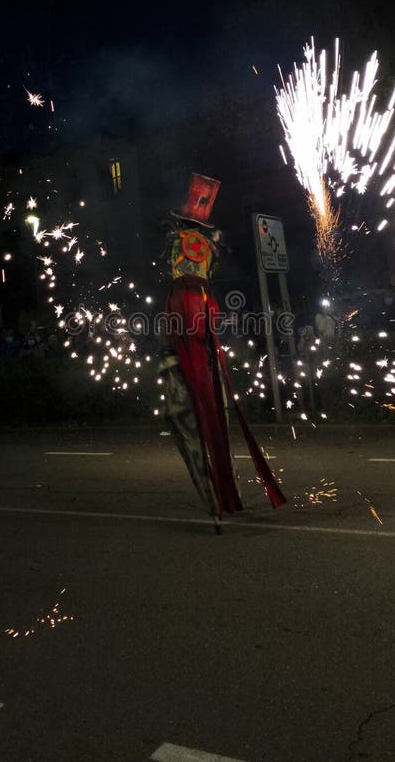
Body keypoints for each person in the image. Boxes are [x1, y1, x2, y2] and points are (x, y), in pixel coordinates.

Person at [159, 173, 286, 533]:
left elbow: (174, 272)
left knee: (195, 409)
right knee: (214, 404)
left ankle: (217, 498)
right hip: (203, 314)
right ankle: (224, 495)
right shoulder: (208, 250)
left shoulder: (175, 243)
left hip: (185, 314)